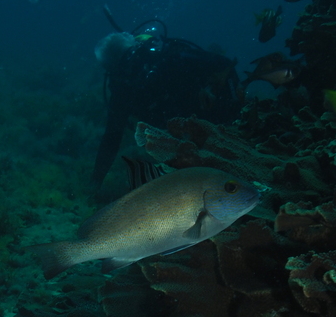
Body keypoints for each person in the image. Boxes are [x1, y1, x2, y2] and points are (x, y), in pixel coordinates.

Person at [92, 18, 243, 189]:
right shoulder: (169, 57)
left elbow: (111, 139)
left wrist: (96, 181)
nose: (136, 67)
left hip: (209, 135)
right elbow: (224, 64)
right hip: (202, 140)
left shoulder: (124, 90)